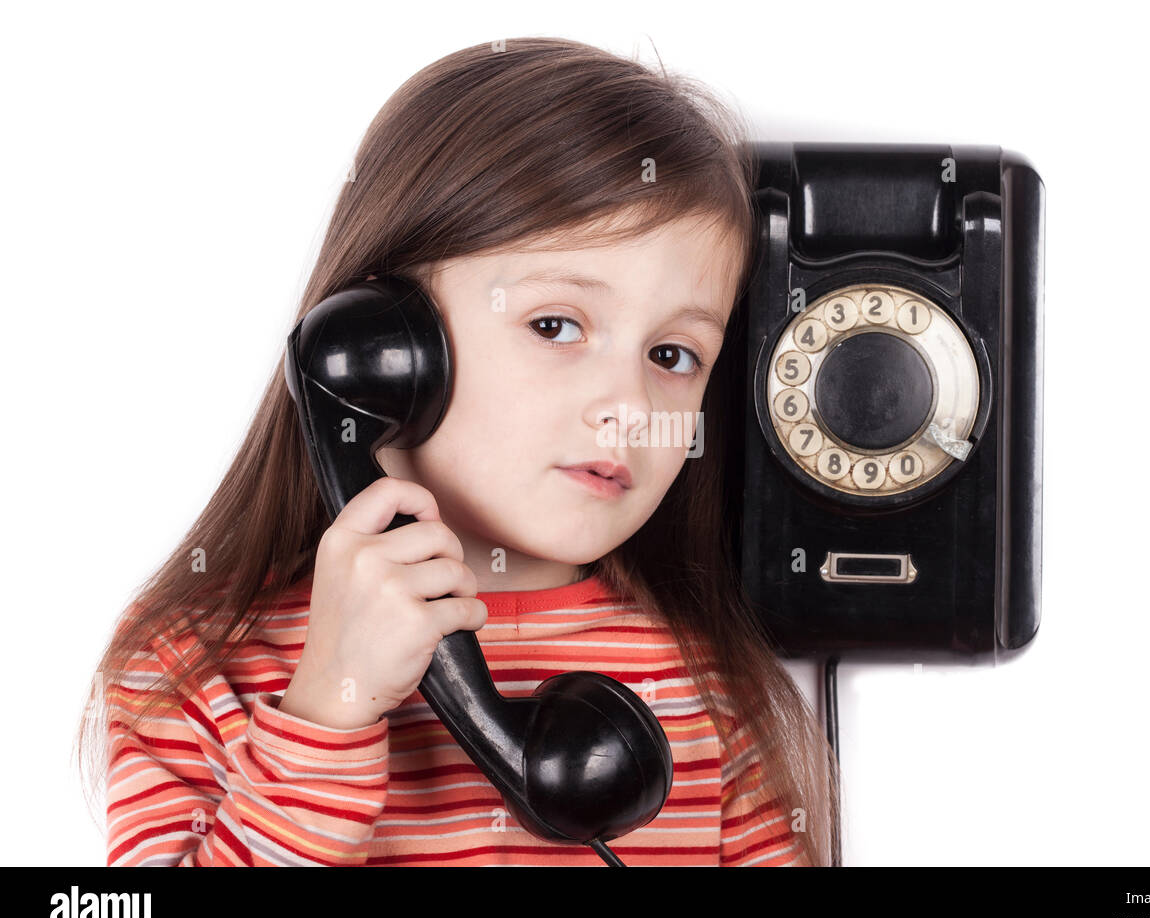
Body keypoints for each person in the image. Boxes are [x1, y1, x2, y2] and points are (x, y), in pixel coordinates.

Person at [76, 36, 840, 866]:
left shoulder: (705, 690)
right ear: (380, 345)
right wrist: (327, 709)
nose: (629, 408)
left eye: (672, 356)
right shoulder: (193, 665)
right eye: (556, 325)